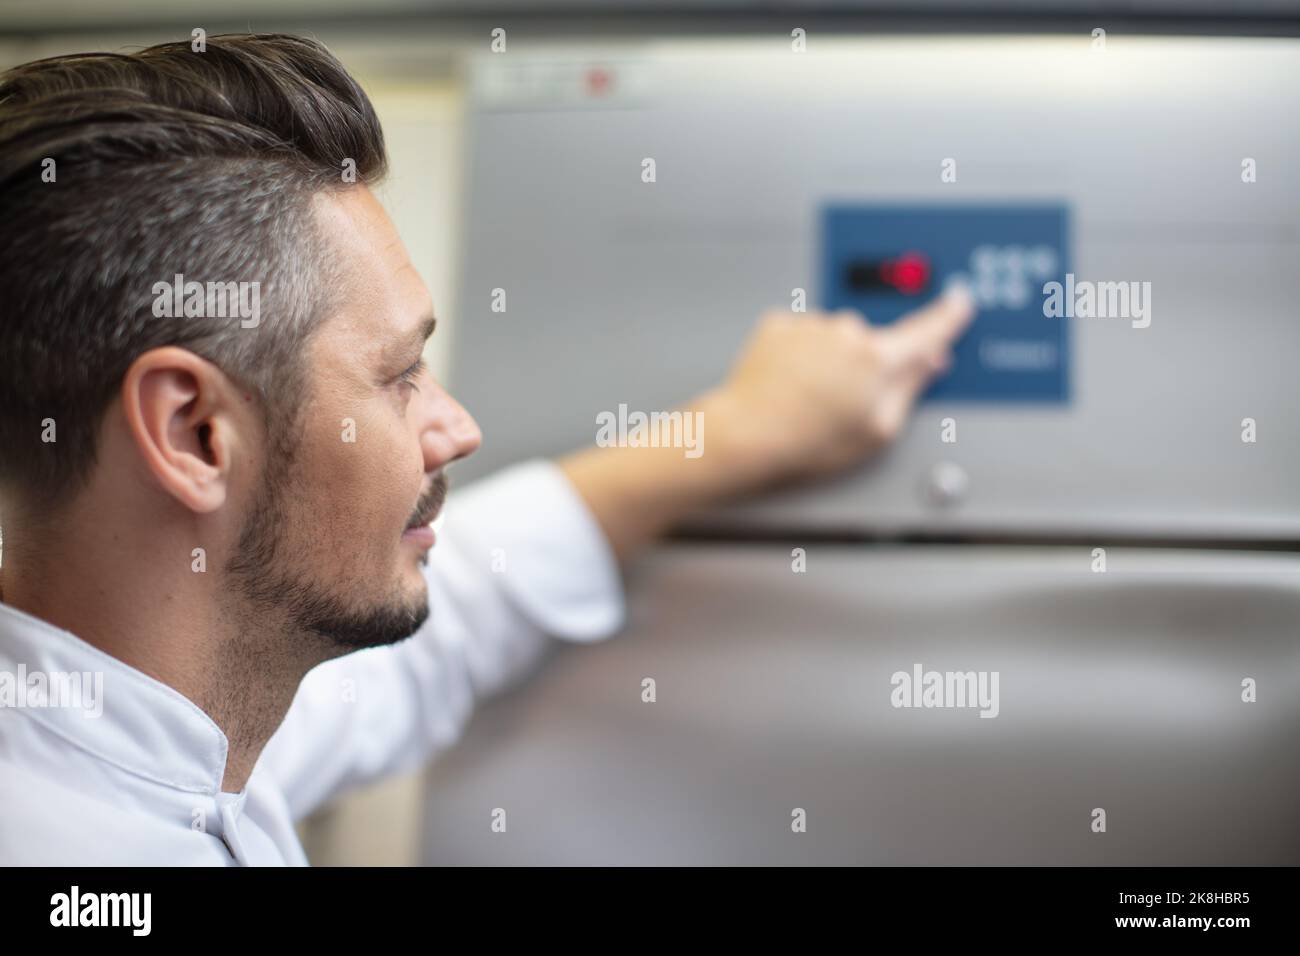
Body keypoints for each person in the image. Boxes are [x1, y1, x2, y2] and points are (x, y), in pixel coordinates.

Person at [0, 34, 973, 864]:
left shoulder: (147, 713)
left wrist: (738, 431)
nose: (455, 427)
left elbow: (454, 624)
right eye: (397, 375)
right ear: (194, 433)